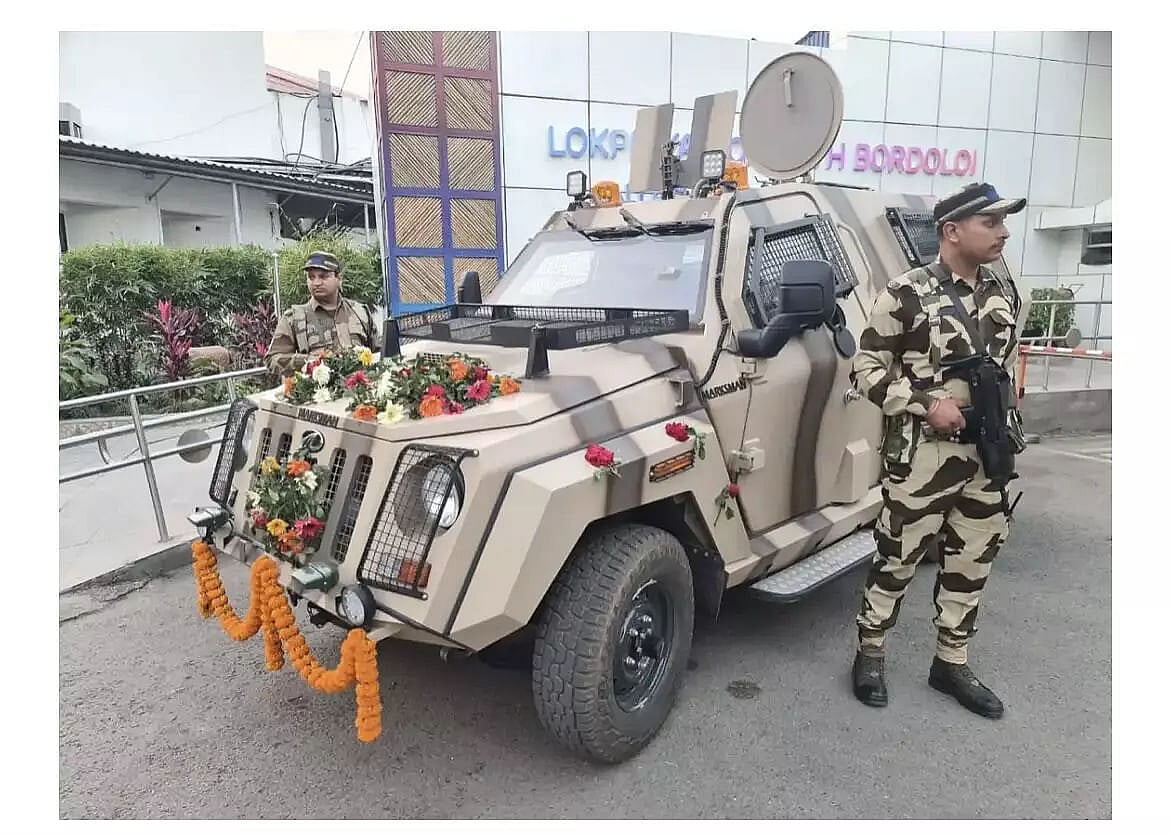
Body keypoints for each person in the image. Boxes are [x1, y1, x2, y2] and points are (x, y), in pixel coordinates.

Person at [848, 182, 1027, 719]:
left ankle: (951, 662)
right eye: (990, 223)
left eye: (1002, 222)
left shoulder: (1003, 290)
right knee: (897, 557)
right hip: (924, 456)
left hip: (987, 456)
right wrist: (925, 403)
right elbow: (865, 369)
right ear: (952, 231)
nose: (1003, 232)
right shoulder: (904, 293)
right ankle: (870, 653)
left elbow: (1005, 366)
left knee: (972, 561)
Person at [264, 251, 380, 377]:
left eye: (323, 276)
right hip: (317, 394)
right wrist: (308, 362)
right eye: (311, 277)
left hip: (360, 390)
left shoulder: (360, 312)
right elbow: (272, 359)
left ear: (339, 278)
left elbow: (380, 353)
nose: (316, 282)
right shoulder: (294, 318)